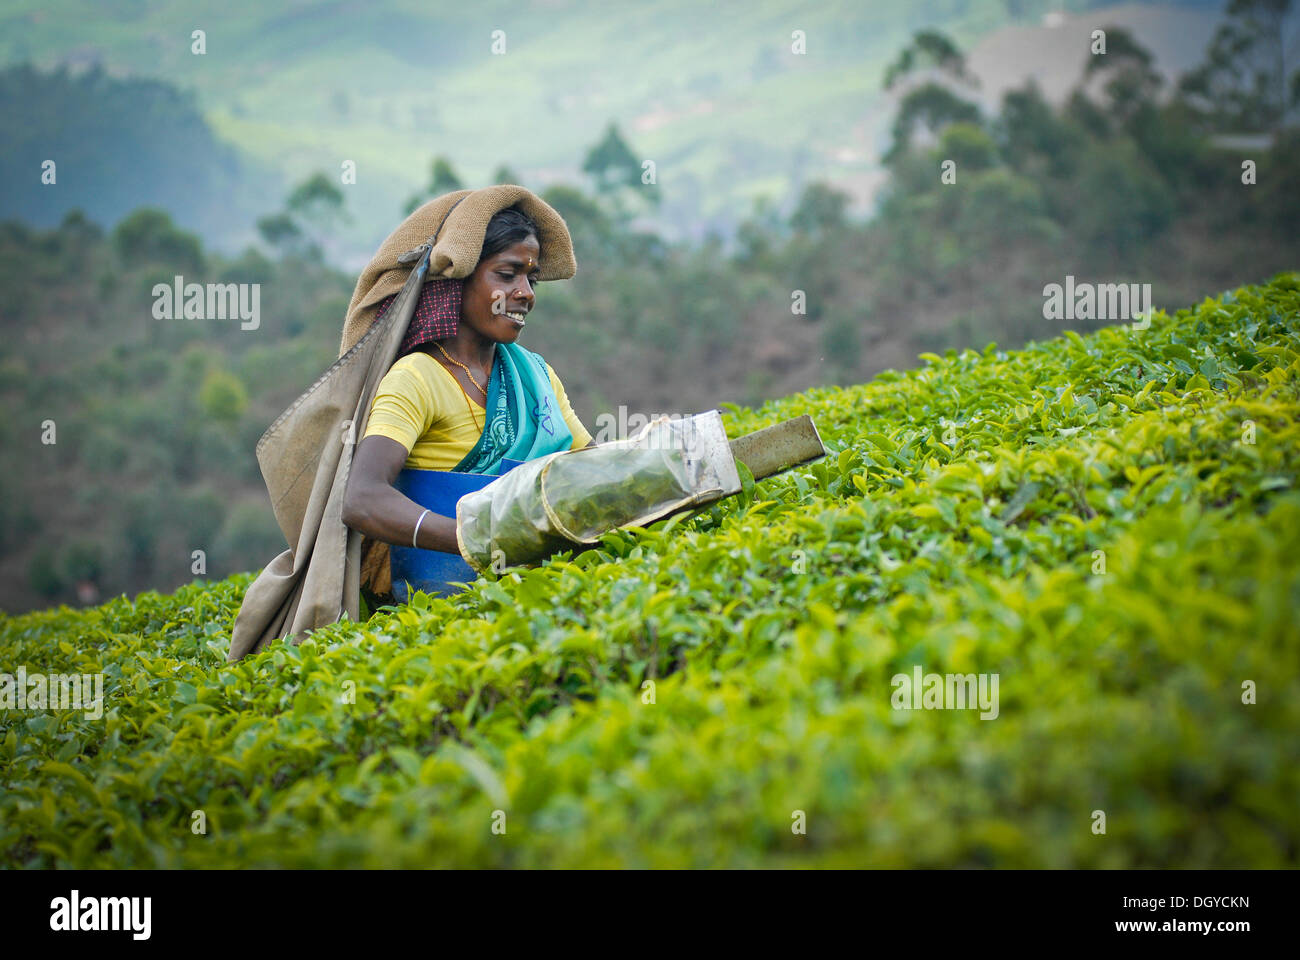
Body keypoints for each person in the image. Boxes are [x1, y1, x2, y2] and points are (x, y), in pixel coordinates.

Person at [341, 204, 595, 609]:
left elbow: (589, 469)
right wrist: (475, 540)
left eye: (531, 279)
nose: (526, 293)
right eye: (507, 275)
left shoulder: (536, 374)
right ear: (456, 282)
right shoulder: (417, 378)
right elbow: (362, 498)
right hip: (443, 615)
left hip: (542, 605)